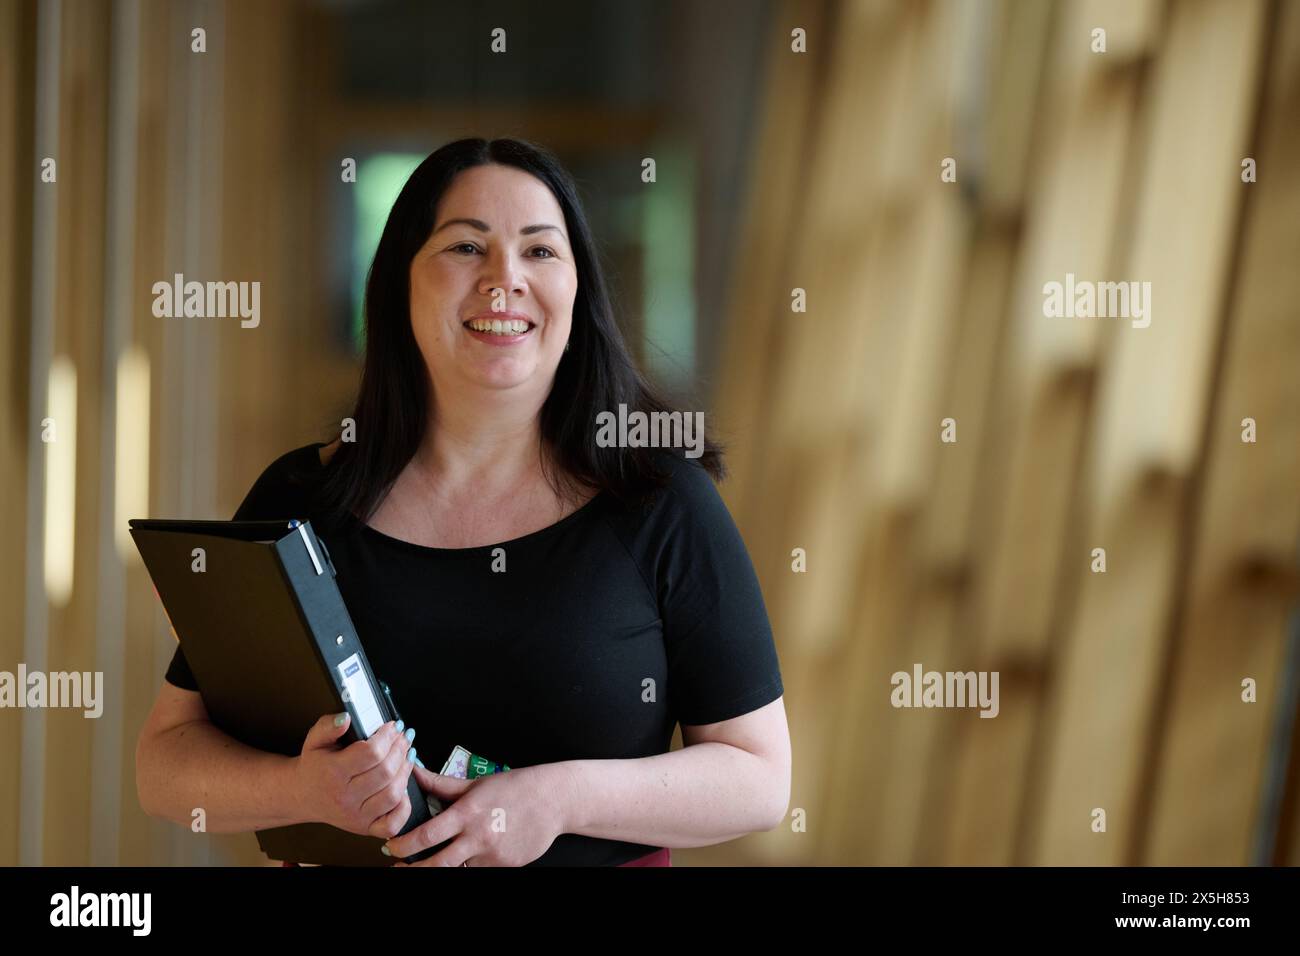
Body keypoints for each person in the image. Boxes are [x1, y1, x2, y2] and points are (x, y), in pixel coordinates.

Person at [135, 137, 790, 867]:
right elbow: (165, 764)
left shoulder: (661, 505)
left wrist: (556, 799)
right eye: (465, 248)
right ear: (400, 284)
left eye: (540, 252)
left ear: (579, 288)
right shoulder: (301, 503)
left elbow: (758, 777)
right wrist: (303, 789)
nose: (504, 278)